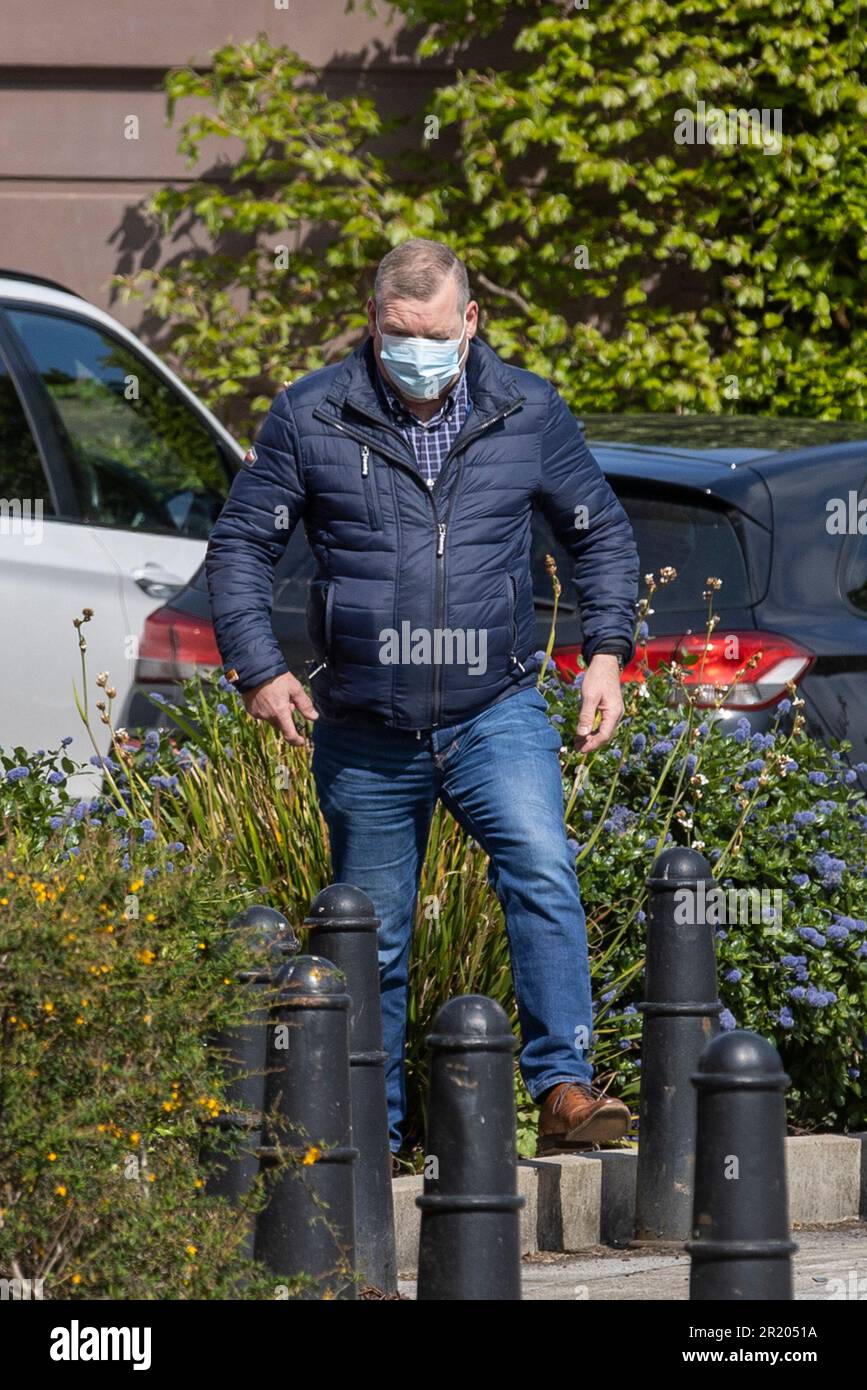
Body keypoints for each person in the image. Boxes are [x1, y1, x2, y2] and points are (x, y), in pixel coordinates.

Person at [205, 238, 640, 1163]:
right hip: (366, 723)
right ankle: (373, 1141)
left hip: (495, 709)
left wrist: (605, 658)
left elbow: (598, 535)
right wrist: (257, 667)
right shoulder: (311, 413)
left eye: (434, 334)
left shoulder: (526, 409)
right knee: (374, 938)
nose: (416, 352)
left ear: (469, 322)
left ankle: (562, 1088)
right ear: (371, 323)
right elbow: (241, 545)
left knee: (541, 868)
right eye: (398, 335)